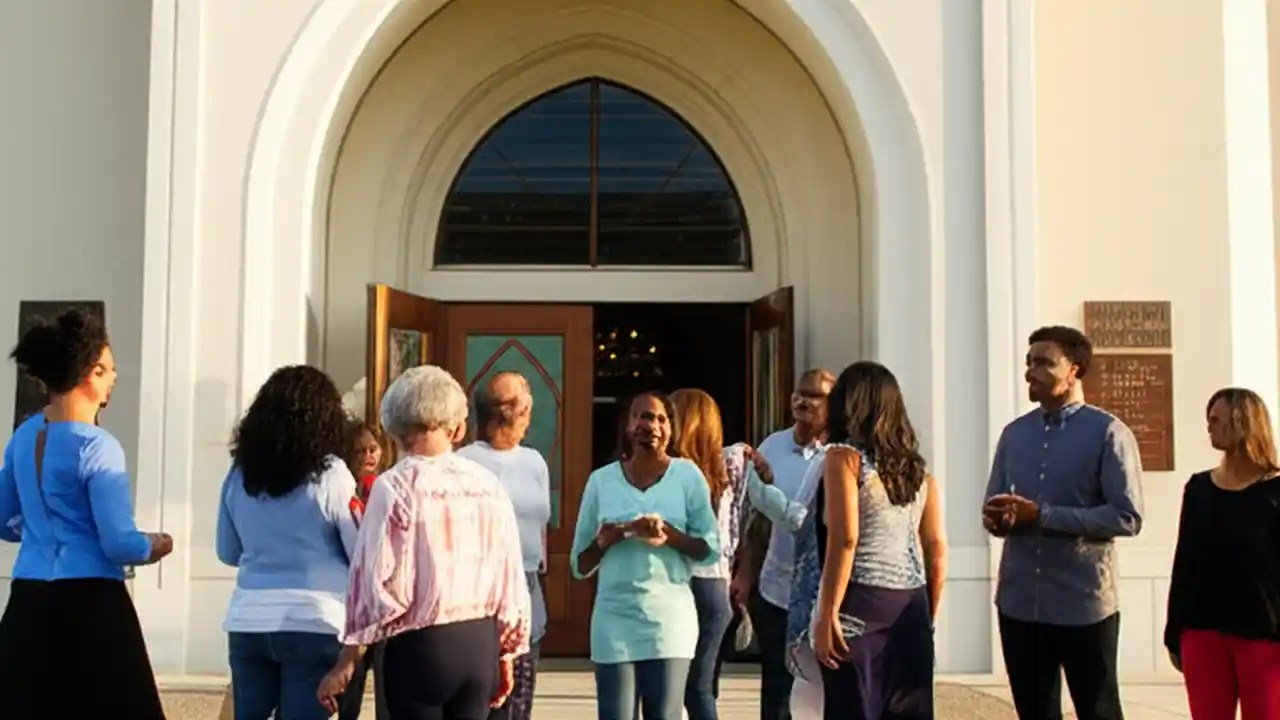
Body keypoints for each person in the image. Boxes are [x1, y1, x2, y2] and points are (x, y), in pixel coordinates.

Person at [317, 365, 531, 719]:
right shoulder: (487, 484)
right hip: (479, 641)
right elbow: (509, 578)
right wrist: (507, 650)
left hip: (420, 646)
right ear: (457, 426)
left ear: (397, 429)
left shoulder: (395, 486)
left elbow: (373, 581)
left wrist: (349, 657)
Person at [0, 308, 173, 718]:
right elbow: (119, 543)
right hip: (91, 602)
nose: (114, 378)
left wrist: (44, 526)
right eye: (109, 369)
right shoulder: (98, 446)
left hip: (29, 598)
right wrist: (155, 544)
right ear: (91, 374)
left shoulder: (22, 438)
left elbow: (4, 521)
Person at [983, 325, 1144, 720]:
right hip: (1020, 603)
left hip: (1083, 604)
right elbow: (995, 503)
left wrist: (1043, 516)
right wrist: (999, 520)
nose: (1030, 372)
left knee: (1098, 710)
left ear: (1074, 369)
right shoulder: (1014, 435)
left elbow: (1127, 516)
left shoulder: (1109, 433)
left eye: (1043, 362)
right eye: (1028, 362)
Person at [784, 361, 946, 719]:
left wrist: (825, 615)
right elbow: (935, 551)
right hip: (911, 603)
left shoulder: (844, 458)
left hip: (861, 600)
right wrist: (925, 616)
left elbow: (845, 539)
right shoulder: (920, 472)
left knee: (853, 706)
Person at [216, 365, 359, 720]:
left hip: (249, 619)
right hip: (315, 619)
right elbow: (360, 554)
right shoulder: (333, 473)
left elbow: (227, 551)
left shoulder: (239, 473)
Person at [571, 391, 720, 720]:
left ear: (671, 430)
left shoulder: (688, 476)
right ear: (627, 425)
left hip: (669, 619)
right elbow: (579, 563)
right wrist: (606, 540)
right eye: (642, 416)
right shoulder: (601, 481)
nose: (650, 425)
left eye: (660, 419)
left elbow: (710, 549)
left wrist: (669, 535)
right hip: (614, 618)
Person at [1165, 388, 1280, 719]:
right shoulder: (1199, 488)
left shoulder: (1275, 492)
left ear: (1242, 422)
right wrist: (1174, 632)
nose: (1209, 427)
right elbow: (1184, 563)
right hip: (1201, 631)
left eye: (1216, 419)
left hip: (1264, 634)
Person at [730, 369, 835, 720]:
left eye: (815, 396)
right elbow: (753, 518)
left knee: (820, 693)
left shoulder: (840, 455)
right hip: (775, 589)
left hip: (824, 593)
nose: (803, 401)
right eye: (799, 393)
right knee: (776, 691)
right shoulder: (772, 446)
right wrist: (745, 576)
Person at [457, 371, 552, 720]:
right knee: (481, 699)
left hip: (526, 587)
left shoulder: (534, 463)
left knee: (518, 703)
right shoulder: (465, 462)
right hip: (477, 591)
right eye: (520, 405)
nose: (525, 414)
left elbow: (541, 527)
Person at [670, 388, 754, 720]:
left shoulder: (680, 473)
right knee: (701, 685)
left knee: (687, 687)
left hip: (692, 584)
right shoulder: (727, 468)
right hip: (716, 585)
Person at [337, 419, 394, 720]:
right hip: (352, 603)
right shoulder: (340, 490)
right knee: (352, 682)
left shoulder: (386, 486)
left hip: (383, 603)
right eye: (359, 452)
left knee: (387, 685)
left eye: (373, 449)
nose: (368, 457)